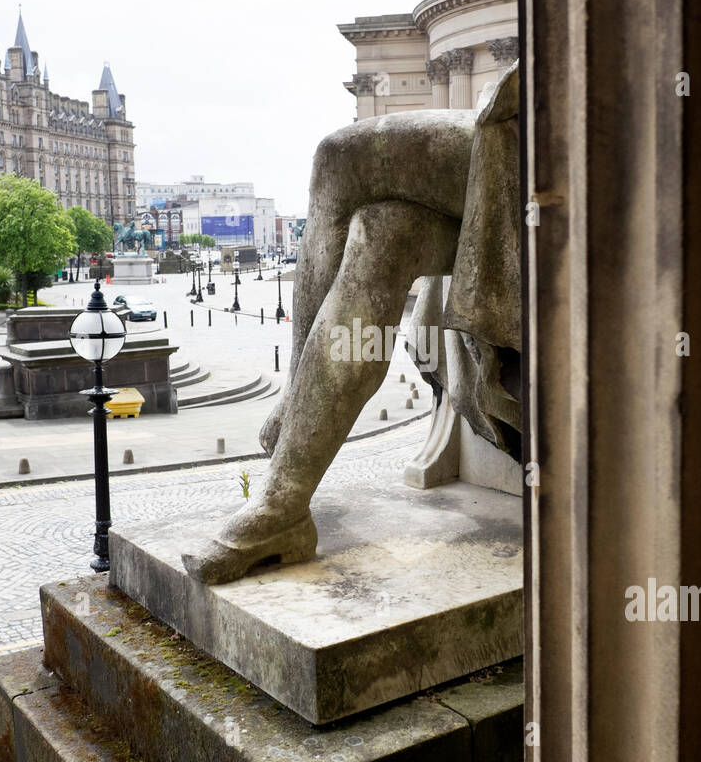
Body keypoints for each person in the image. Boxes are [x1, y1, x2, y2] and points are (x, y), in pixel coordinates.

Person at [182, 62, 521, 584]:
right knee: (380, 233)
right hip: (532, 112)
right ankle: (285, 505)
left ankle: (296, 403)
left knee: (339, 156)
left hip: (576, 131)